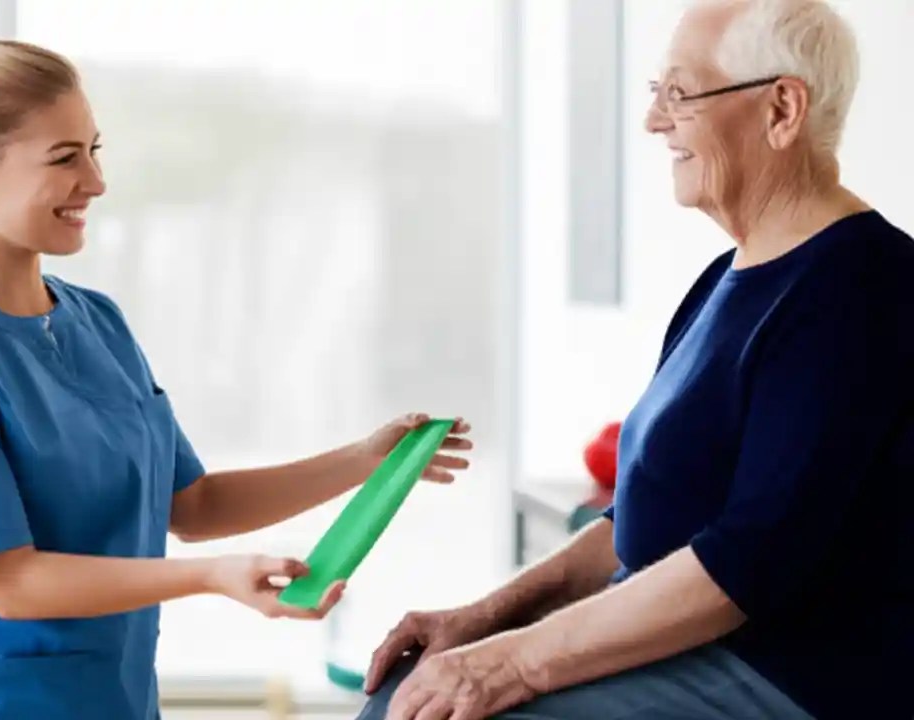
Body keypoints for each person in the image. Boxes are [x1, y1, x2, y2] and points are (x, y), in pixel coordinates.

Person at [0, 40, 473, 720]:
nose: (95, 181)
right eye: (65, 158)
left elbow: (193, 504)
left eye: (94, 150)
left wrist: (364, 461)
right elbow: (9, 580)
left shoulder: (96, 323)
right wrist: (211, 579)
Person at [359, 1, 914, 719]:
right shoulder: (723, 280)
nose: (654, 122)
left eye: (679, 94)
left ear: (782, 108)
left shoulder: (862, 288)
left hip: (791, 680)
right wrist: (482, 619)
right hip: (700, 653)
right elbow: (633, 525)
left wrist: (513, 663)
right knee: (408, 690)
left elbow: (746, 566)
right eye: (656, 94)